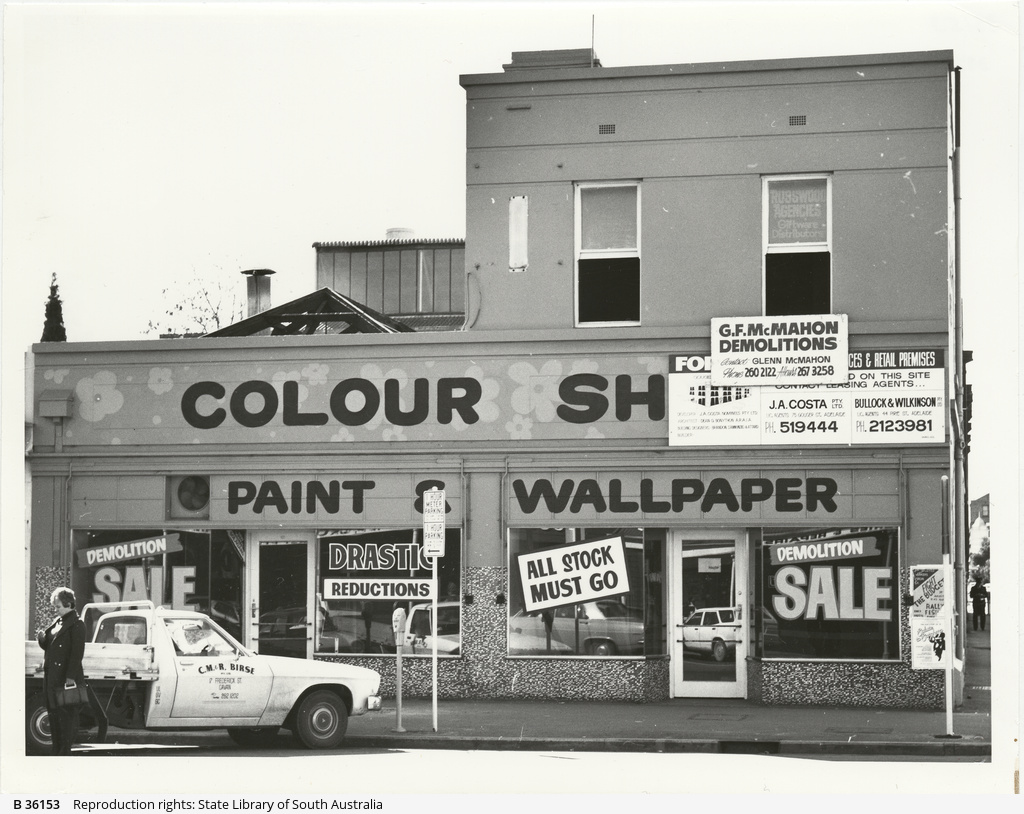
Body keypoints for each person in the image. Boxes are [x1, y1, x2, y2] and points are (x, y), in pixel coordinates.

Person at [36, 587, 87, 755]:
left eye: (58, 606)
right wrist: (42, 639)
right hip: (52, 678)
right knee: (54, 717)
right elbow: (50, 647)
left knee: (65, 720)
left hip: (64, 679)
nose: (56, 610)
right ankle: (57, 752)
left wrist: (70, 678)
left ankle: (63, 754)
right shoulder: (58, 622)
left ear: (69, 604)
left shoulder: (77, 624)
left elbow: (77, 654)